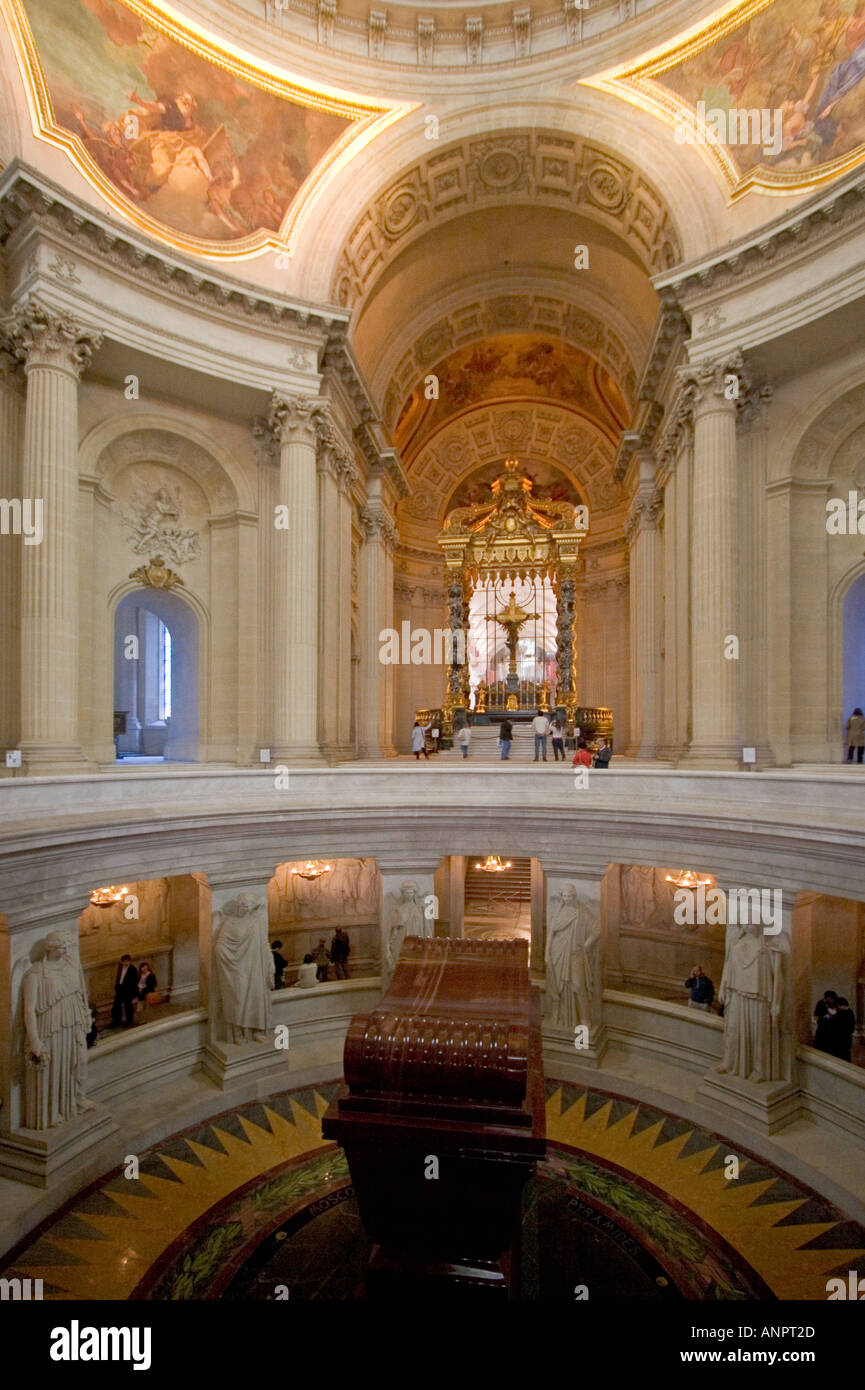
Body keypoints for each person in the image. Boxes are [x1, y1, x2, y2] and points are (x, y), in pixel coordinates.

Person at [111, 954, 139, 1029]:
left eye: (127, 961)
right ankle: (116, 1022)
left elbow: (134, 982)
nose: (125, 963)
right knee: (116, 1006)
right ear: (122, 962)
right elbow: (119, 977)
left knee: (128, 1007)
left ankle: (129, 1022)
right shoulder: (120, 967)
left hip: (127, 991)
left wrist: (132, 993)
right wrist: (117, 986)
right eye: (124, 961)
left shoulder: (133, 969)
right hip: (120, 989)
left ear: (130, 961)